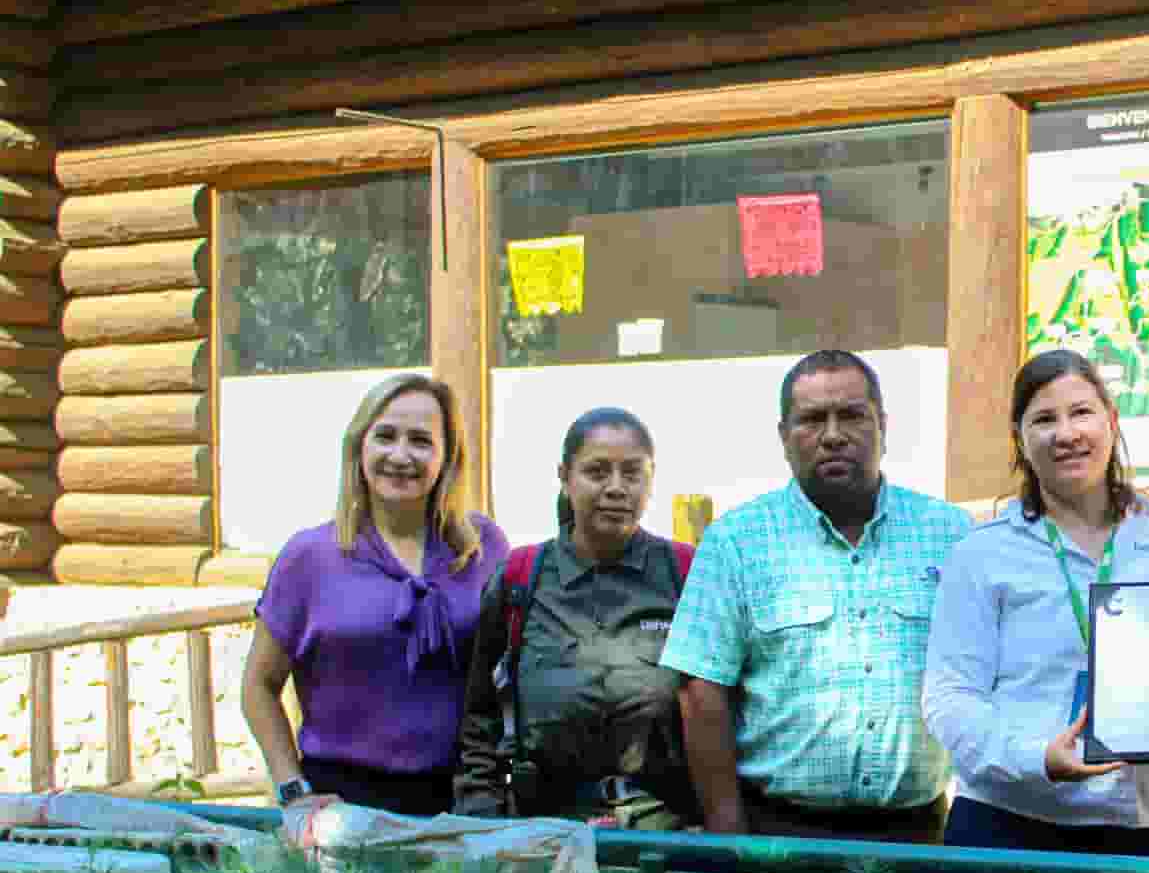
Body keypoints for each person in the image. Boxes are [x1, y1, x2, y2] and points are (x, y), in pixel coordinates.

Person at [662, 350, 971, 842]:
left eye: (852, 415)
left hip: (920, 832)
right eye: (811, 420)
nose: (832, 435)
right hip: (779, 833)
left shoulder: (951, 534)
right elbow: (700, 693)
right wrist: (729, 836)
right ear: (784, 437)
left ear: (883, 427)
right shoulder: (737, 542)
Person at [923, 350, 1149, 858]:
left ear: (1112, 420)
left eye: (1081, 412)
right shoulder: (983, 555)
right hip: (1016, 825)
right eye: (1044, 419)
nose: (1066, 433)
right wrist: (1033, 758)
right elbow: (950, 699)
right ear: (1019, 437)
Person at [242, 373, 508, 816]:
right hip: (343, 802)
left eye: (421, 441)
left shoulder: (483, 547)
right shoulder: (309, 557)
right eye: (385, 436)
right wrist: (293, 790)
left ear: (448, 457)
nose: (400, 455)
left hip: (464, 798)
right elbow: (258, 685)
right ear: (359, 447)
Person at [454, 408, 699, 829]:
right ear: (565, 477)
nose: (616, 488)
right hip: (541, 833)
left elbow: (721, 714)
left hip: (665, 836)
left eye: (632, 473)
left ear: (651, 480)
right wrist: (483, 824)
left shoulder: (686, 573)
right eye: (598, 472)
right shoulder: (519, 579)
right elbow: (480, 721)